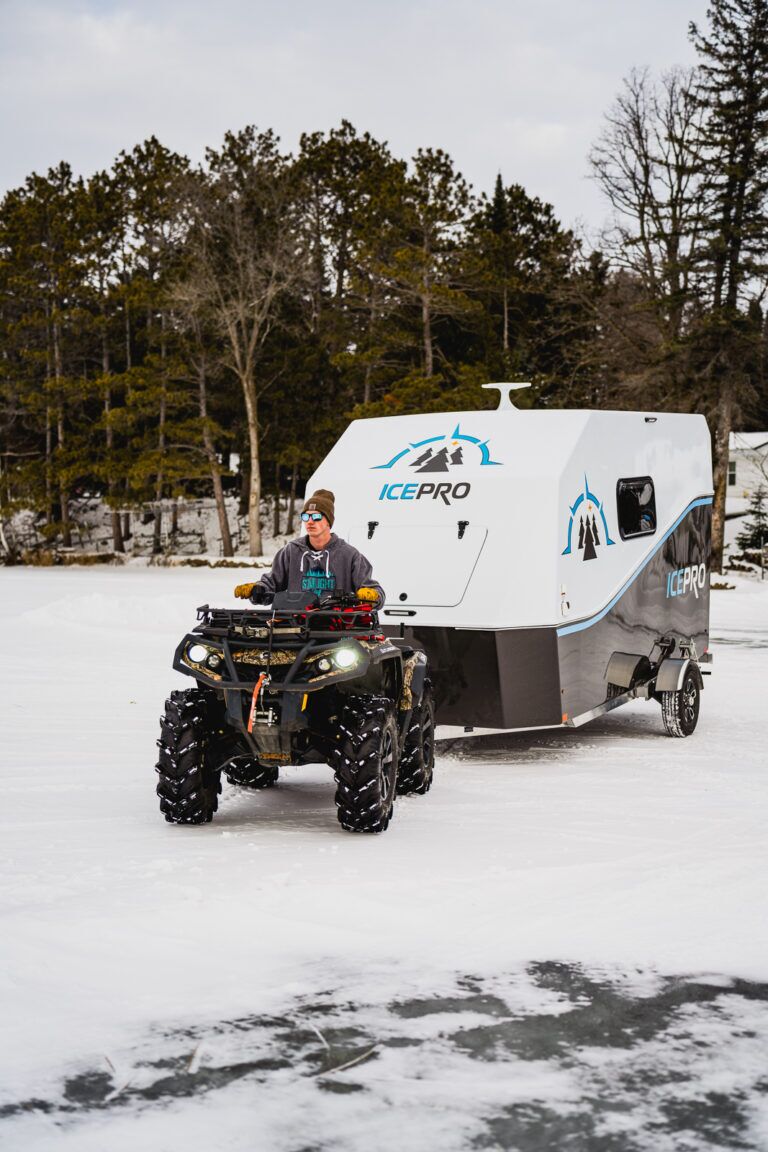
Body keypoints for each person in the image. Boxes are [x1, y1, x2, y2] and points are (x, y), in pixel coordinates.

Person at [234, 489, 385, 606]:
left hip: (335, 631)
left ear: (329, 521)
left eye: (317, 517)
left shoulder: (349, 555)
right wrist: (258, 589)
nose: (310, 522)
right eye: (306, 516)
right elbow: (271, 584)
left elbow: (377, 593)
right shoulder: (291, 551)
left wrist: (371, 595)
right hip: (296, 628)